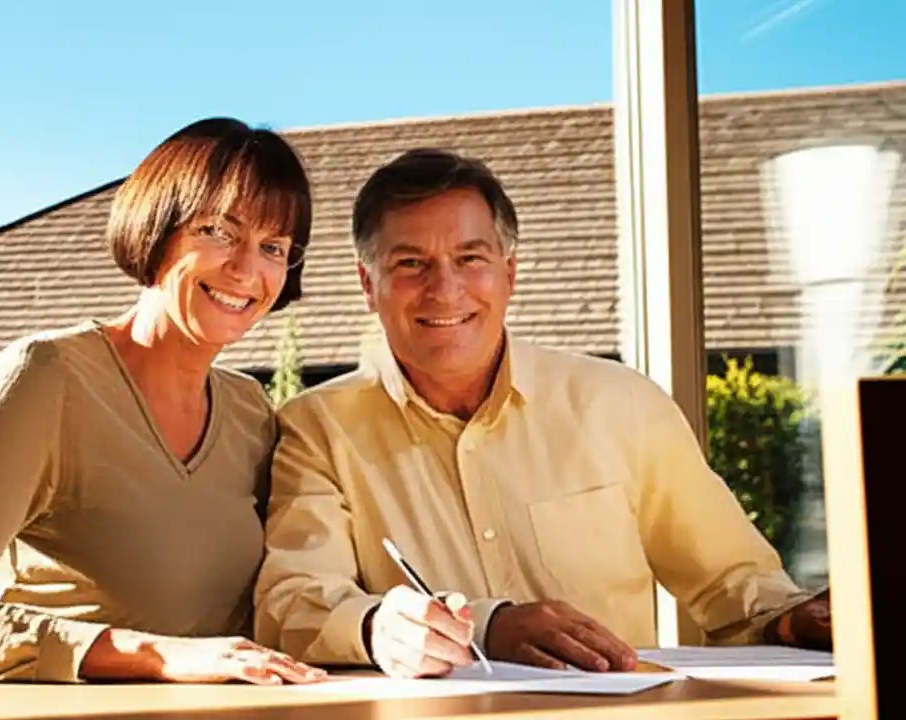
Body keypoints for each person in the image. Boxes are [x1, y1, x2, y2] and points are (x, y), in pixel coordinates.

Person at [254, 148, 832, 679]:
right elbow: (296, 603)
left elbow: (733, 584)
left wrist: (793, 622)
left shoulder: (623, 405)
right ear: (366, 284)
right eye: (410, 263)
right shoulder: (317, 427)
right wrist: (477, 626)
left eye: (469, 257)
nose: (444, 288)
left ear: (510, 272)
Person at [0, 117, 325, 686]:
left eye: (273, 247)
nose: (246, 269)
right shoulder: (49, 377)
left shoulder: (251, 412)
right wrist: (157, 655)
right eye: (218, 231)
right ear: (157, 230)